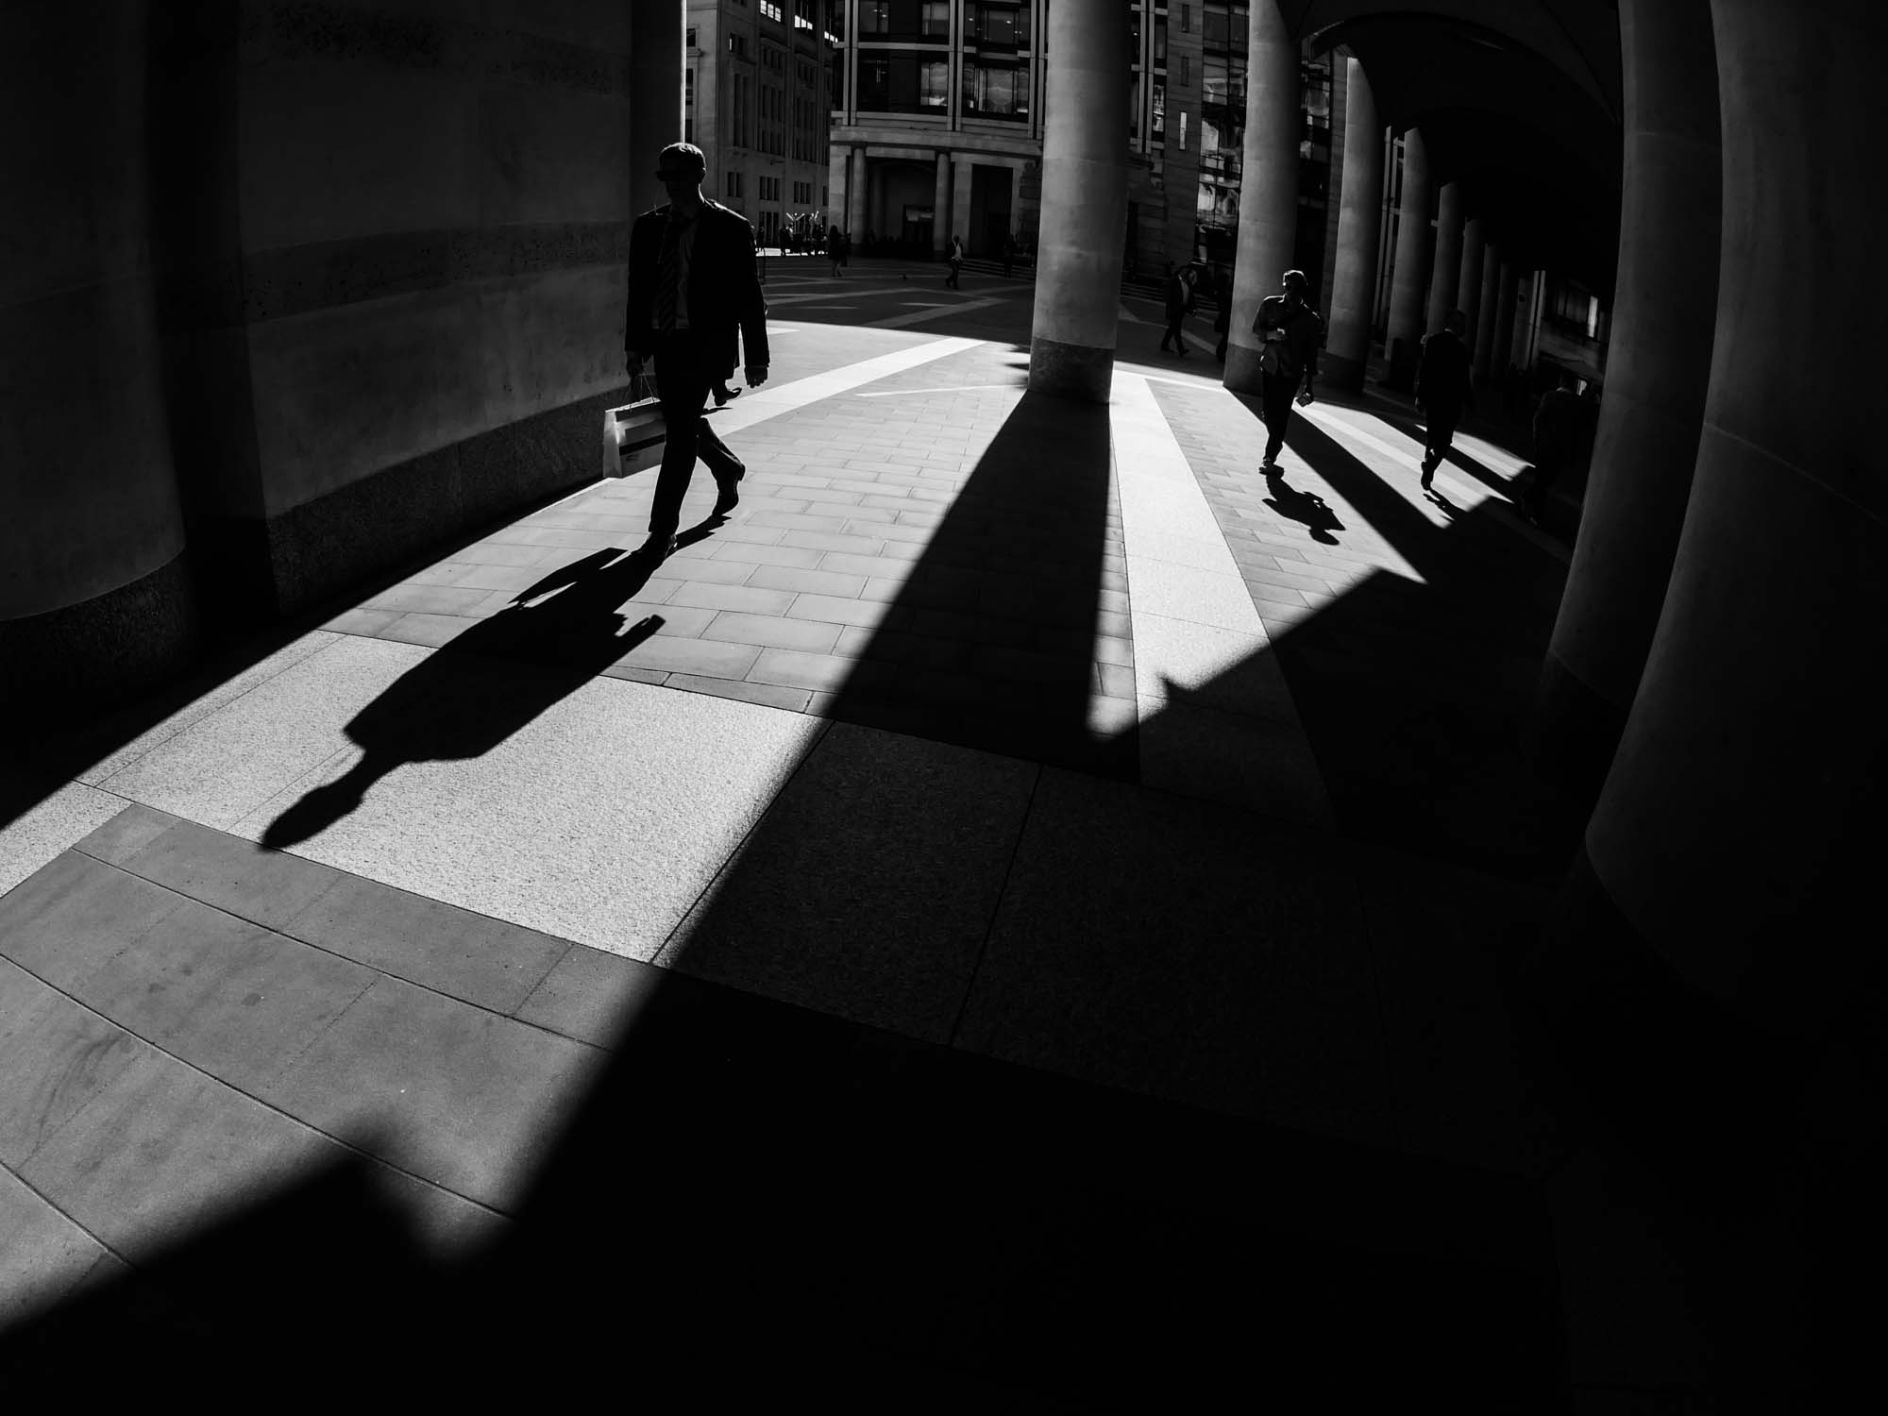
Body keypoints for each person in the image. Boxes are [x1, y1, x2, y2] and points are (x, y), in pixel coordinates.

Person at [624, 142, 769, 560]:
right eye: (665, 177)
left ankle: (661, 530)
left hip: (704, 345)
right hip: (664, 340)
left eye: (679, 176)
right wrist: (635, 346)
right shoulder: (648, 227)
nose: (671, 185)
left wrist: (756, 357)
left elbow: (748, 295)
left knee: (680, 436)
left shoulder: (730, 227)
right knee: (680, 423)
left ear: (699, 176)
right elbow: (639, 293)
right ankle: (727, 468)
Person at [1251, 268, 1323, 473]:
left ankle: (1269, 456)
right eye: (1287, 286)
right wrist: (1271, 334)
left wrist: (1309, 385)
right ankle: (1276, 439)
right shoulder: (1270, 304)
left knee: (1281, 415)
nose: (1290, 290)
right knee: (1268, 411)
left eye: (1294, 287)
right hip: (1270, 366)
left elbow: (1312, 355)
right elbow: (1257, 329)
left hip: (1292, 372)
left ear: (1302, 289)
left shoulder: (1311, 319)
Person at [1414, 308, 1473, 490]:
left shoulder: (1433, 342)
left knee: (1432, 434)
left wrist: (1420, 396)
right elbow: (1464, 380)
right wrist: (1469, 403)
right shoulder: (1462, 350)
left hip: (1433, 399)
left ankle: (1428, 461)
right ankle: (1430, 465)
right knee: (1445, 441)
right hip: (1451, 404)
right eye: (1463, 326)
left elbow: (1425, 372)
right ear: (1457, 326)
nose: (1465, 329)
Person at [1526, 371, 1582, 524]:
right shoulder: (1576, 404)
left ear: (1561, 382)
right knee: (1545, 482)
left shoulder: (1550, 396)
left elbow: (1538, 419)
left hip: (1544, 447)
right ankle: (1534, 511)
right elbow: (1577, 432)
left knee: (1541, 481)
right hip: (1560, 451)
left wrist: (1536, 439)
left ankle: (1529, 505)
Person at [1159, 263, 1196, 356]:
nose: (1185, 273)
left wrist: (1192, 309)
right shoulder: (1174, 281)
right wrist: (1170, 308)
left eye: (1187, 271)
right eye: (1184, 271)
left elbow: (1190, 296)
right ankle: (1181, 349)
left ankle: (1164, 344)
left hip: (1182, 310)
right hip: (1174, 309)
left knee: (1172, 328)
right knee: (1176, 329)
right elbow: (1169, 295)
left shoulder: (1187, 282)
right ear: (1180, 271)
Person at [1213, 267, 1233, 362]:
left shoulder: (1221, 292)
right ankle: (1220, 353)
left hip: (1224, 316)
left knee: (1225, 336)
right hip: (1226, 317)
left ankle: (1220, 353)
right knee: (1226, 337)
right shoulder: (1225, 293)